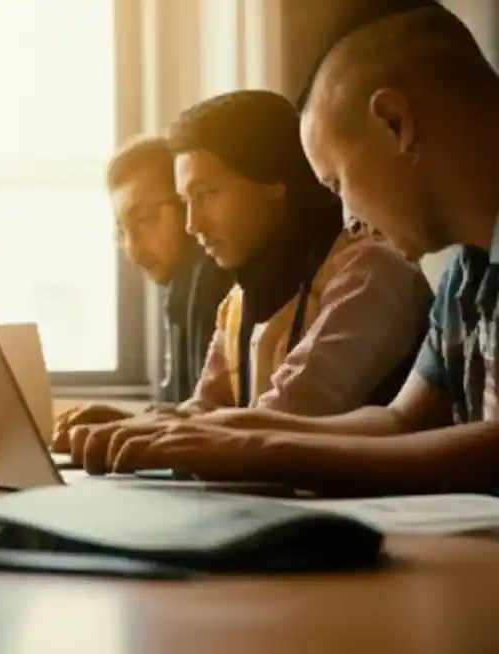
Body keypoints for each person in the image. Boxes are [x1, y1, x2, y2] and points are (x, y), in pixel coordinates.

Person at [71, 6, 499, 491]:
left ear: (395, 123)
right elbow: (398, 421)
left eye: (337, 182)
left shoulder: (371, 267)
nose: (349, 216)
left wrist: (258, 447)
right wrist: (226, 431)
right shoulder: (467, 276)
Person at [54, 90, 432, 455]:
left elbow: (292, 408)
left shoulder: (370, 272)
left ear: (272, 181)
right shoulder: (237, 300)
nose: (192, 224)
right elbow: (204, 408)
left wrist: (143, 430)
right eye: (186, 202)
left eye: (206, 195)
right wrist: (127, 426)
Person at [52, 136, 233, 432]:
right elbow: (189, 419)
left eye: (144, 220)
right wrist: (127, 422)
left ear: (186, 205)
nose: (133, 251)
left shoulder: (208, 281)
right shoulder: (179, 289)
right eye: (122, 231)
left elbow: (209, 433)